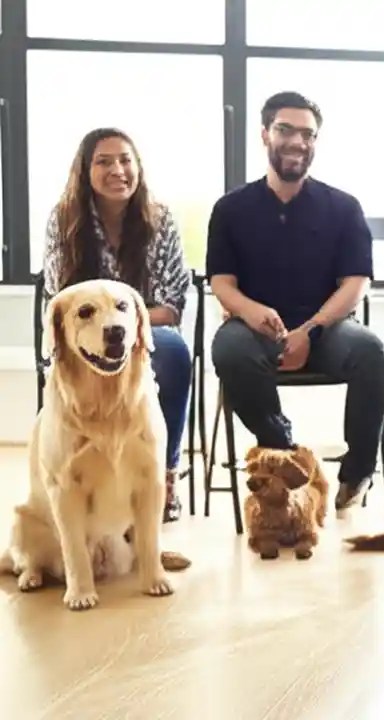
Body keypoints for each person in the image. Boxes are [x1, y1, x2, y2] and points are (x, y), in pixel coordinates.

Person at [207, 91, 384, 512]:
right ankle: (282, 449)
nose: (298, 142)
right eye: (287, 130)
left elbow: (355, 283)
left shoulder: (343, 208)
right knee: (229, 349)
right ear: (265, 134)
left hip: (326, 328)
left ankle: (357, 471)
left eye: (308, 134)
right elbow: (221, 282)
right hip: (255, 327)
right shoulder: (231, 209)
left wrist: (311, 330)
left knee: (369, 350)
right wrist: (250, 311)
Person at [42, 127, 192, 523]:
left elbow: (172, 303)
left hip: (145, 333)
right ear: (85, 170)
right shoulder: (64, 222)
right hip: (81, 342)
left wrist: (129, 325)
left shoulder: (161, 220)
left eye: (126, 160)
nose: (117, 169)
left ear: (138, 167)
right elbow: (62, 301)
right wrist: (98, 326)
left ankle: (164, 477)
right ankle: (75, 480)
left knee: (174, 352)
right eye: (104, 161)